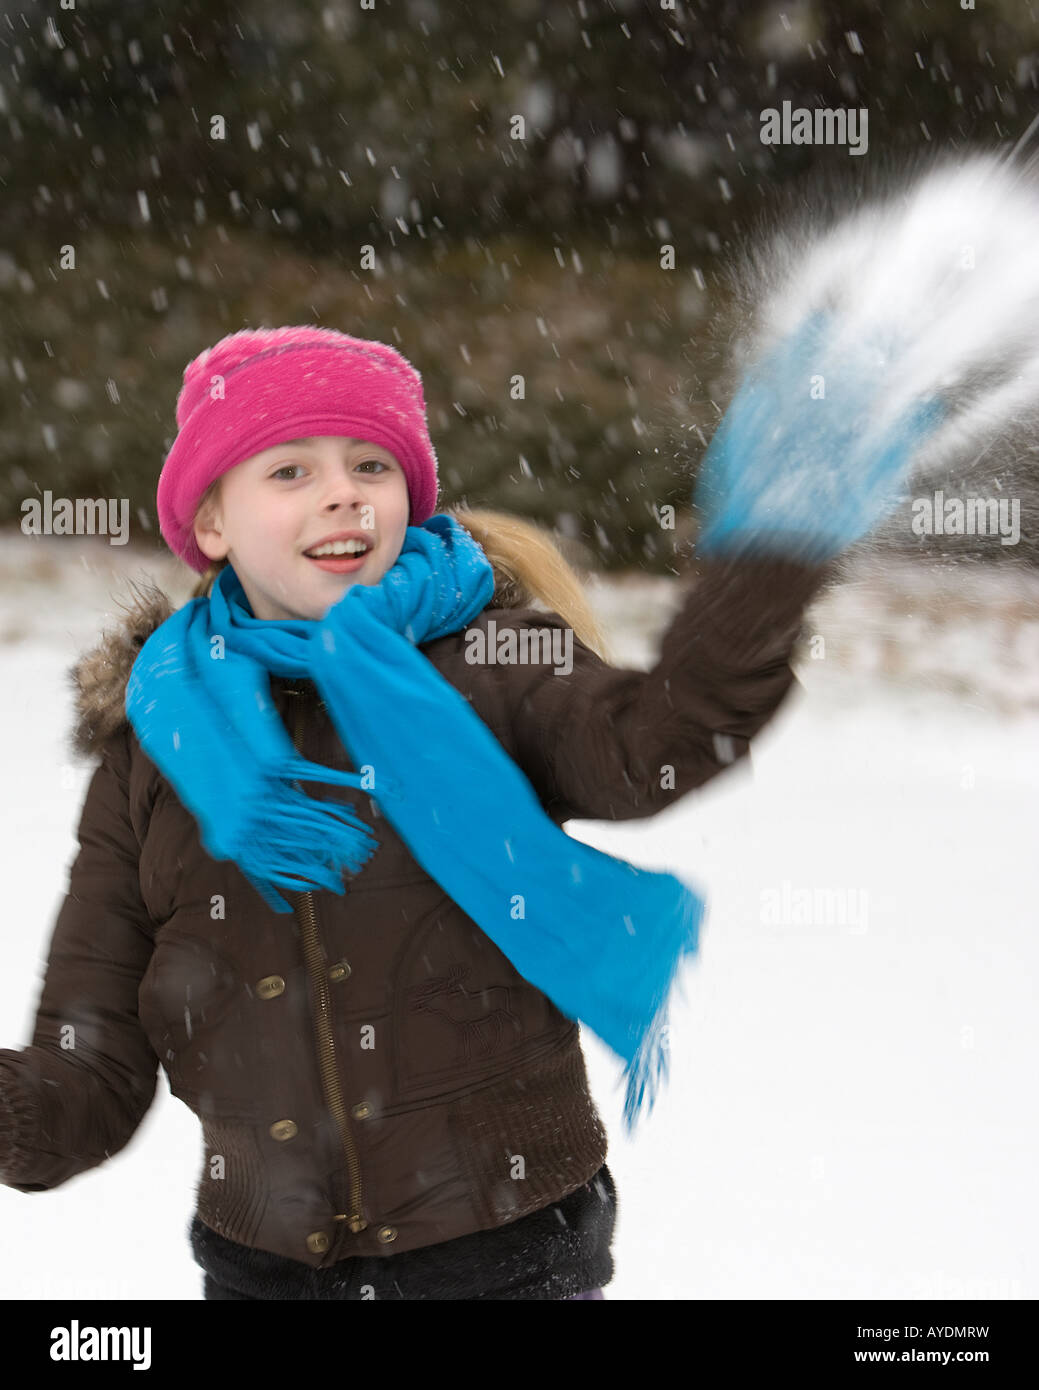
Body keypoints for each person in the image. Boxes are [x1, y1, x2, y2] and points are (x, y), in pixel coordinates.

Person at [0, 325, 831, 1299]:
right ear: (213, 523)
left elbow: (657, 743)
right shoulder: (152, 757)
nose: (342, 490)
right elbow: (84, 1074)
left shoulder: (490, 667)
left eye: (369, 464)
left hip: (507, 1255)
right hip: (263, 1273)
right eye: (290, 470)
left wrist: (771, 553)